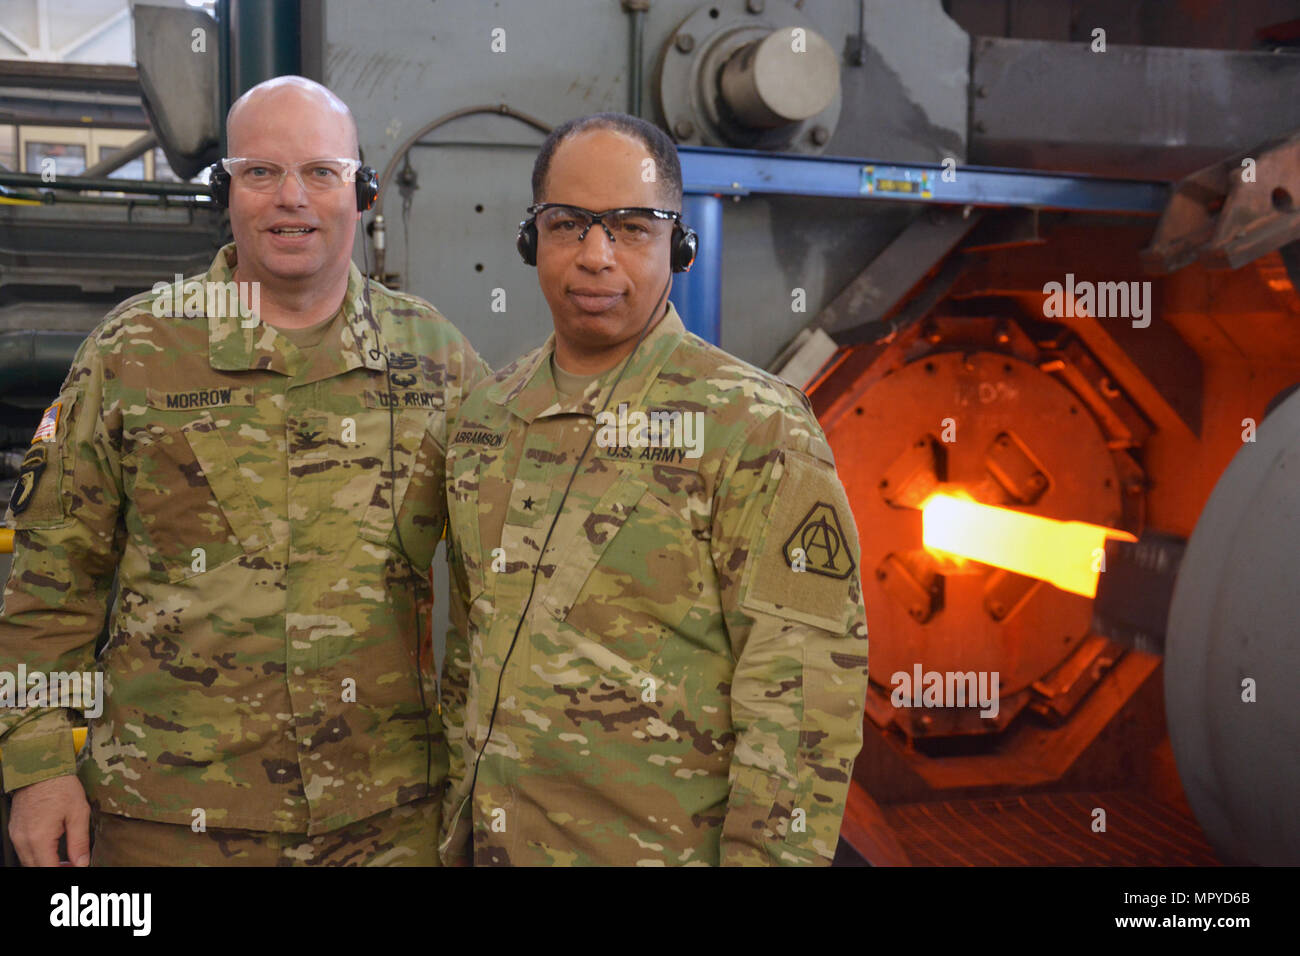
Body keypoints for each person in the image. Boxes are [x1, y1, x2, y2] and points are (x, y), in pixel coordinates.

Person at [0, 76, 488, 866]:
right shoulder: (137, 350)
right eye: (260, 172)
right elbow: (53, 579)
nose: (291, 198)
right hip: (168, 820)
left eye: (321, 173)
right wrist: (40, 766)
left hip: (387, 820)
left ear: (360, 192)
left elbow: (489, 590)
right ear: (226, 192)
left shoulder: (436, 359)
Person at [439, 112, 869, 866]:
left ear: (679, 243)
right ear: (529, 238)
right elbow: (467, 654)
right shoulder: (486, 416)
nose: (596, 256)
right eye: (568, 223)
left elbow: (804, 704)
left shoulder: (756, 428)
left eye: (633, 227)